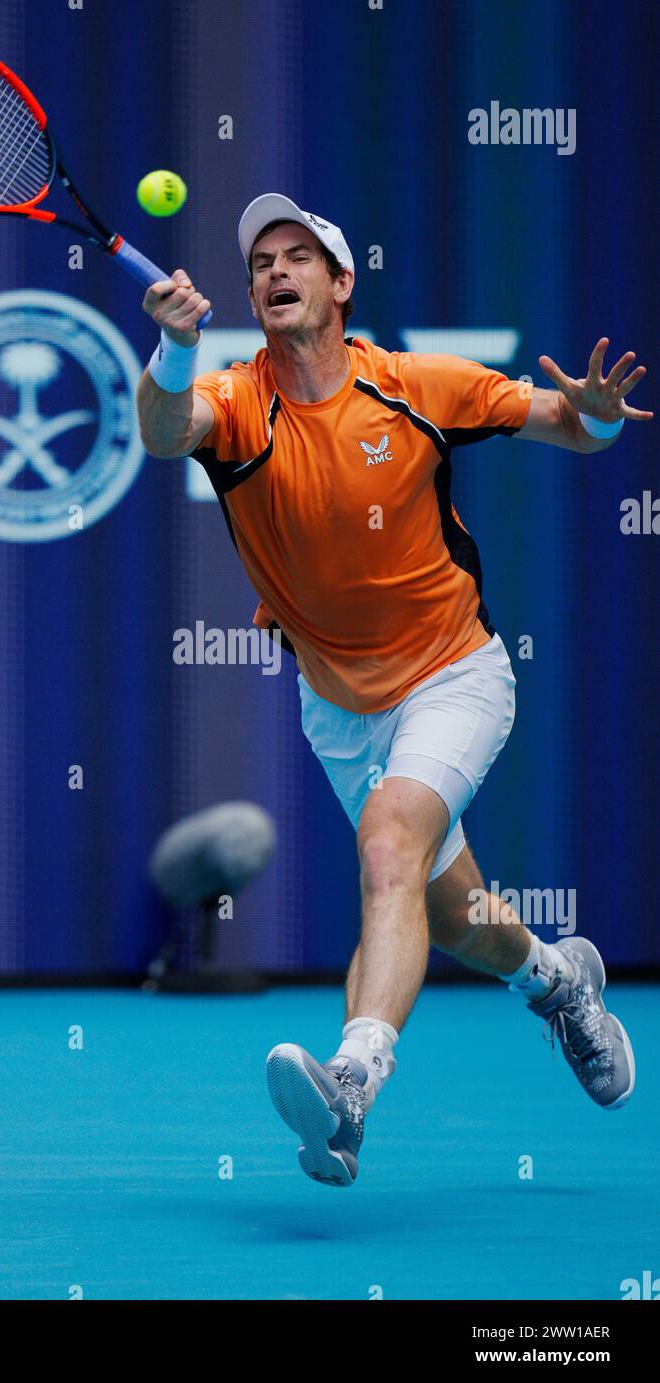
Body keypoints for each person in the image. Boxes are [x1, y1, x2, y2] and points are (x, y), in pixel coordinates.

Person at [135, 192, 651, 1187]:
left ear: (339, 283)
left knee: (387, 848)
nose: (273, 272)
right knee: (453, 918)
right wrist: (172, 349)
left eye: (296, 256)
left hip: (453, 674)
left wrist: (591, 416)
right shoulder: (238, 401)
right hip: (337, 705)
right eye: (258, 264)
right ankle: (558, 983)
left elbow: (572, 427)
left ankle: (352, 1082)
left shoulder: (414, 385)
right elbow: (166, 432)